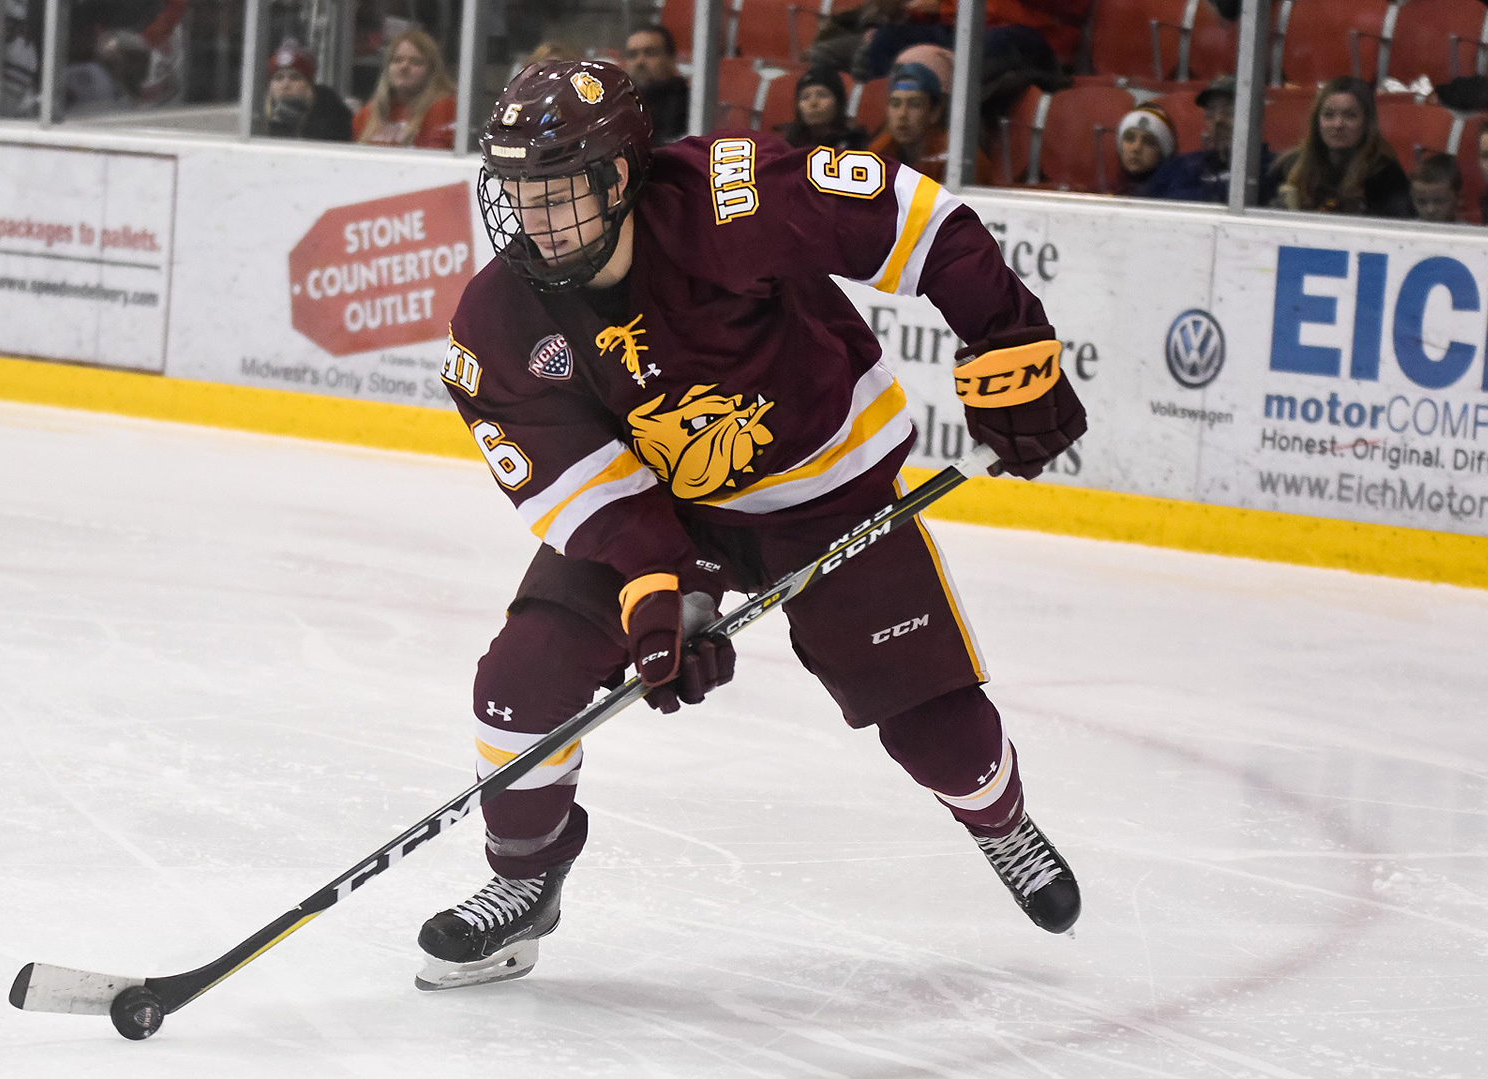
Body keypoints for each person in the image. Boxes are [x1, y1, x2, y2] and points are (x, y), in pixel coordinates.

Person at [418, 59, 1087, 992]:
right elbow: (581, 480)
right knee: (519, 686)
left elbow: (916, 218)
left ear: (620, 177)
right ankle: (524, 884)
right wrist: (659, 585)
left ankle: (1000, 821)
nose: (532, 217)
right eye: (516, 192)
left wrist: (1007, 339)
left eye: (556, 190)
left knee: (945, 734)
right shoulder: (496, 321)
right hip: (666, 508)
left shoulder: (727, 199)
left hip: (825, 493)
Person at [1267, 76, 1412, 218]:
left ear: (1367, 123)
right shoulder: (1290, 166)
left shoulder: (1386, 176)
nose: (1338, 125)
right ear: (1317, 122)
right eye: (1328, 115)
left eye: (1350, 116)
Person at [866, 59, 991, 182]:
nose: (902, 114)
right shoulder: (879, 152)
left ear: (934, 112)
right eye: (895, 104)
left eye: (915, 104)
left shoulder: (956, 160)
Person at [353, 28, 456, 150]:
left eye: (415, 62)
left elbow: (434, 161)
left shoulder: (444, 107)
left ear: (432, 71)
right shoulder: (369, 113)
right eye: (397, 60)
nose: (404, 66)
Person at [263, 39, 351, 141]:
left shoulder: (334, 118)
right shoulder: (256, 117)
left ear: (309, 85)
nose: (285, 85)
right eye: (278, 78)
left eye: (295, 78)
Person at [780, 66, 869, 151]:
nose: (813, 103)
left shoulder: (855, 145)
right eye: (805, 97)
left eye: (822, 95)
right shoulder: (787, 145)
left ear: (838, 102)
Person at [623, 25, 686, 145]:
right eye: (632, 55)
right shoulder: (616, 104)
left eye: (650, 53)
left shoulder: (690, 104)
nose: (640, 61)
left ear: (671, 60)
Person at [1112, 103, 1173, 196]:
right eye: (1130, 138)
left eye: (1148, 141)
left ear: (1161, 151)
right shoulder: (1098, 195)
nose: (1136, 148)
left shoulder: (1174, 199)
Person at [1409, 151, 1463, 224]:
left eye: (1439, 201)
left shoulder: (1470, 234)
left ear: (1458, 199)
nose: (1430, 210)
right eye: (1421, 202)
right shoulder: (1406, 232)